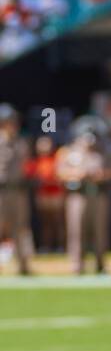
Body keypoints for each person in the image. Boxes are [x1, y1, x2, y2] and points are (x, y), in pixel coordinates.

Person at [56, 128, 111, 275]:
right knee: (76, 230)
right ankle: (77, 264)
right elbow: (59, 172)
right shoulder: (69, 152)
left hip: (97, 193)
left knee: (100, 230)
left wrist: (101, 175)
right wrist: (78, 174)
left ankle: (101, 263)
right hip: (78, 195)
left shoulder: (102, 152)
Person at [0, 103, 33, 275]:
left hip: (18, 191)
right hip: (1, 190)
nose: (13, 124)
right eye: (9, 121)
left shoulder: (21, 142)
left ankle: (23, 265)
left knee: (21, 228)